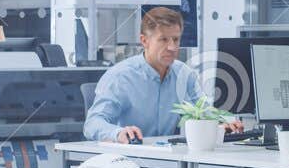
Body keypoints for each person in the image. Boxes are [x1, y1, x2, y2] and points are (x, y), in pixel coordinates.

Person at [83, 7, 246, 143]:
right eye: (163, 40)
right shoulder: (120, 77)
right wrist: (118, 133)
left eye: (176, 40)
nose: (172, 47)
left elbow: (203, 112)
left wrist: (224, 123)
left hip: (168, 160)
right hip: (127, 162)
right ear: (144, 41)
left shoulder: (184, 75)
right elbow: (92, 124)